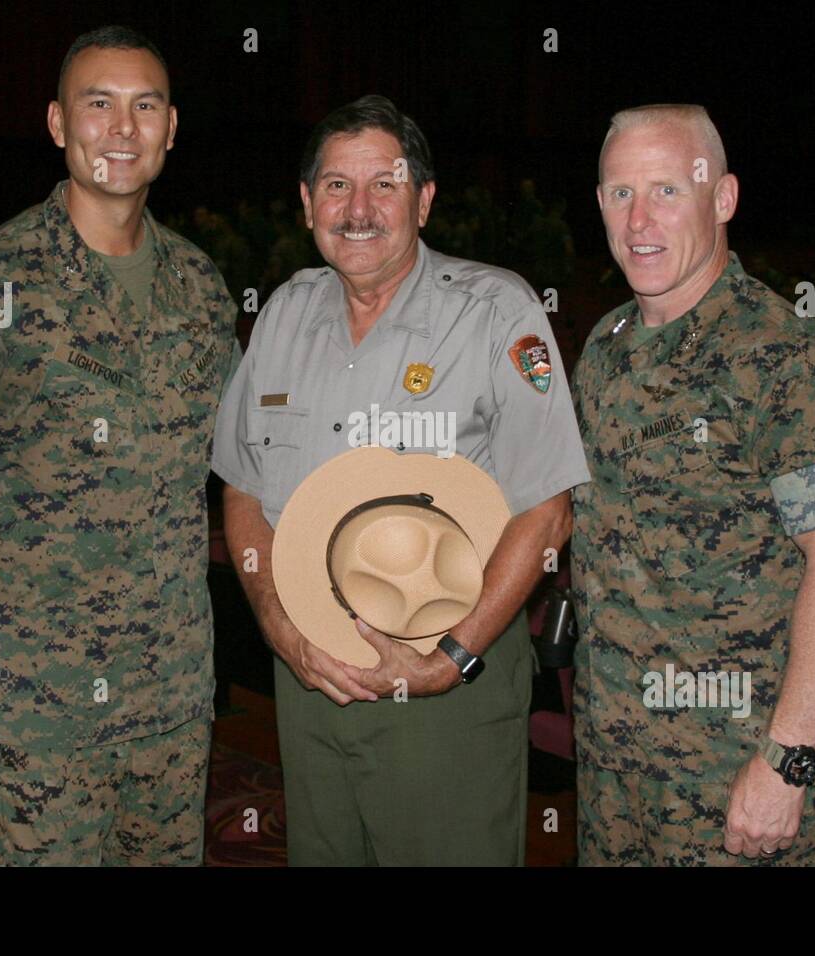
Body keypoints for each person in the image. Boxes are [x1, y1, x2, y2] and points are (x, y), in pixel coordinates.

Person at [0, 25, 239, 866]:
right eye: (99, 104)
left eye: (144, 106)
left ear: (172, 128)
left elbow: (241, 464)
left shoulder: (203, 290)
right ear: (56, 123)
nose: (123, 128)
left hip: (171, 702)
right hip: (26, 710)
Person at [211, 95, 590, 866]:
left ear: (423, 199)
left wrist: (450, 659)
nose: (358, 209)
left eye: (384, 184)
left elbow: (548, 510)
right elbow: (244, 487)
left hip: (446, 684)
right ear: (307, 201)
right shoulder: (284, 314)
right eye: (336, 186)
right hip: (309, 679)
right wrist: (279, 626)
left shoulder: (494, 311)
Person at [571, 104, 815, 866]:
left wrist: (789, 763)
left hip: (733, 776)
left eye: (667, 191)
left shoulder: (793, 362)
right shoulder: (604, 348)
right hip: (614, 767)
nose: (639, 220)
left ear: (724, 198)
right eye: (619, 194)